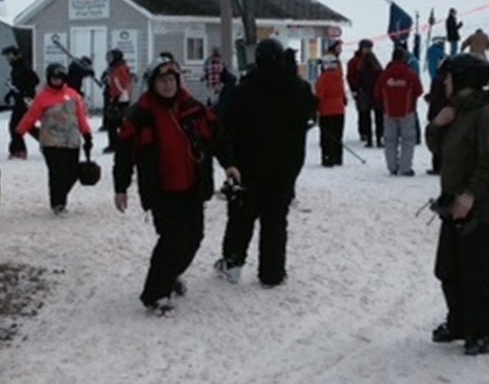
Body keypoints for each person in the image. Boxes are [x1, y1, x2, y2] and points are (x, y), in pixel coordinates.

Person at [113, 56, 238, 315]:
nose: (168, 85)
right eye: (162, 80)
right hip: (161, 190)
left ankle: (170, 275)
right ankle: (155, 293)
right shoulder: (140, 114)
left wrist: (229, 163)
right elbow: (124, 154)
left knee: (194, 238)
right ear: (153, 83)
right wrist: (121, 187)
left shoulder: (193, 108)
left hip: (193, 187)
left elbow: (218, 136)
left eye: (172, 79)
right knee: (172, 239)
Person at [215, 38, 317, 288]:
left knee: (241, 217)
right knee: (275, 220)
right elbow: (311, 113)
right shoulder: (298, 88)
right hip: (286, 166)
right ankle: (272, 272)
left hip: (248, 166)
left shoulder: (245, 90)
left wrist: (229, 160)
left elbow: (224, 125)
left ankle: (233, 264)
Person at [426, 54, 489, 356]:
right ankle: (458, 322)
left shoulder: (486, 115)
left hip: (483, 210)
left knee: (479, 273)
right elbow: (438, 149)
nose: (444, 82)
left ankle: (485, 331)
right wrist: (437, 124)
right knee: (449, 269)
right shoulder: (457, 111)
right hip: (454, 206)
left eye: (448, 77)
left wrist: (470, 195)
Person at [17, 62, 93, 215]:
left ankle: (60, 194)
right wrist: (19, 132)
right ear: (49, 78)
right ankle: (58, 203)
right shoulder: (43, 97)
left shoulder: (73, 95)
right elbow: (31, 116)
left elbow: (81, 116)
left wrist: (87, 134)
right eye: (54, 78)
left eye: (60, 78)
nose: (57, 81)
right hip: (51, 141)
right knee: (57, 172)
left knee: (71, 172)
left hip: (72, 140)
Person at [375, 48, 422, 176]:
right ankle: (405, 167)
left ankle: (392, 167)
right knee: (408, 140)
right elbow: (419, 90)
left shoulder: (384, 75)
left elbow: (377, 94)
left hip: (389, 111)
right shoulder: (410, 74)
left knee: (390, 140)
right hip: (407, 111)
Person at [2, 46, 39, 160]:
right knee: (27, 126)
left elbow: (35, 80)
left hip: (25, 101)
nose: (7, 59)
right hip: (19, 100)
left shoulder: (23, 65)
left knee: (15, 125)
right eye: (6, 57)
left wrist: (26, 92)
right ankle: (47, 142)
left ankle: (19, 150)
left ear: (15, 55)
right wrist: (9, 95)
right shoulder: (15, 68)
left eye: (8, 56)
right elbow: (16, 86)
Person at [347, 40, 385, 147]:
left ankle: (368, 137)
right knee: (374, 116)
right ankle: (376, 137)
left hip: (365, 93)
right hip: (373, 93)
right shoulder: (375, 64)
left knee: (366, 115)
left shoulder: (360, 66)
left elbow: (356, 79)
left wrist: (356, 89)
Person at [315, 55, 348, 167]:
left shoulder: (323, 79)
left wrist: (316, 108)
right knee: (338, 135)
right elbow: (343, 94)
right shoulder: (339, 77)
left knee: (326, 137)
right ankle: (338, 158)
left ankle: (328, 158)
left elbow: (320, 96)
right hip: (339, 110)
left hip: (327, 111)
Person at [102, 49, 133, 154]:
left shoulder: (120, 68)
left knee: (117, 123)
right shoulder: (115, 68)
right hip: (118, 97)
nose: (108, 59)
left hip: (120, 99)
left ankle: (118, 144)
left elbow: (121, 84)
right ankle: (116, 143)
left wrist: (115, 97)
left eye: (111, 57)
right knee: (115, 123)